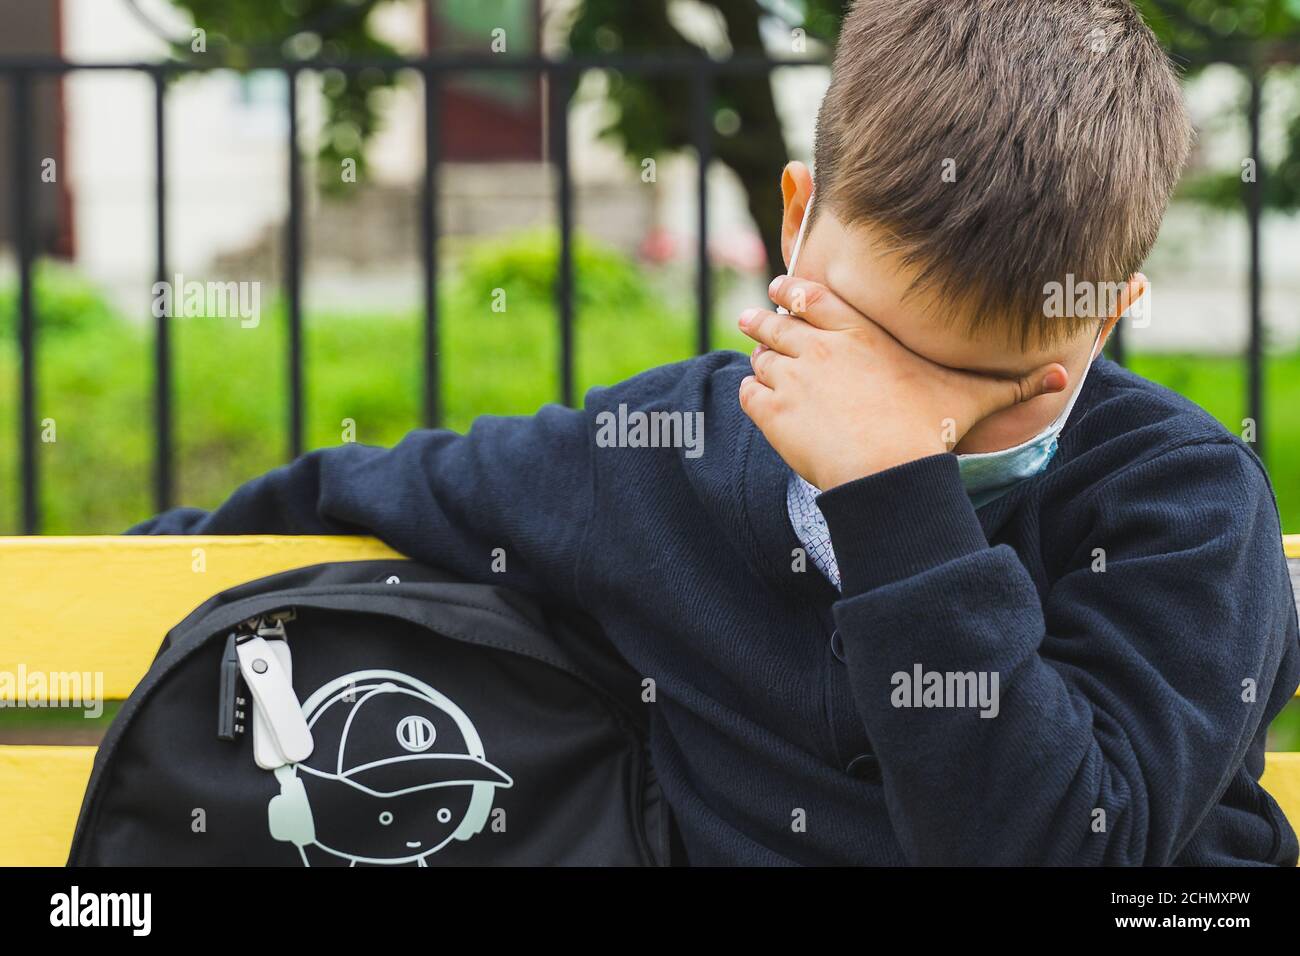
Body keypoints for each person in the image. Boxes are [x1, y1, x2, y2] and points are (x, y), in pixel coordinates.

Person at [134, 0, 1300, 865]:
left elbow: (1057, 845)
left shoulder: (1182, 506)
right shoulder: (655, 450)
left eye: (993, 389)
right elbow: (372, 490)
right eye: (861, 350)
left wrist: (892, 494)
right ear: (797, 221)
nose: (907, 420)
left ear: (1107, 314)